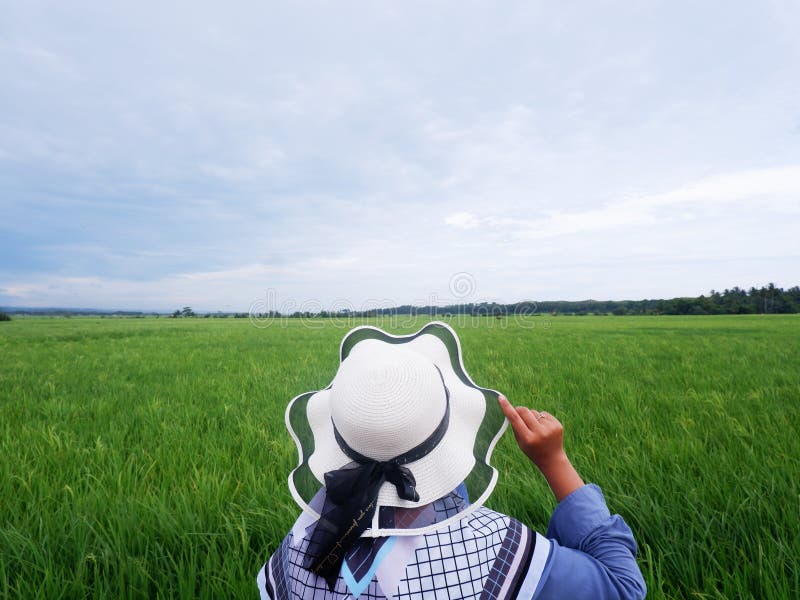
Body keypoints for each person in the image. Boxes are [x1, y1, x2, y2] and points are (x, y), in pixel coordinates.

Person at [257, 321, 646, 599]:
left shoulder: (304, 541)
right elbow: (623, 588)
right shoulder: (492, 547)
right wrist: (554, 461)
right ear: (452, 427)